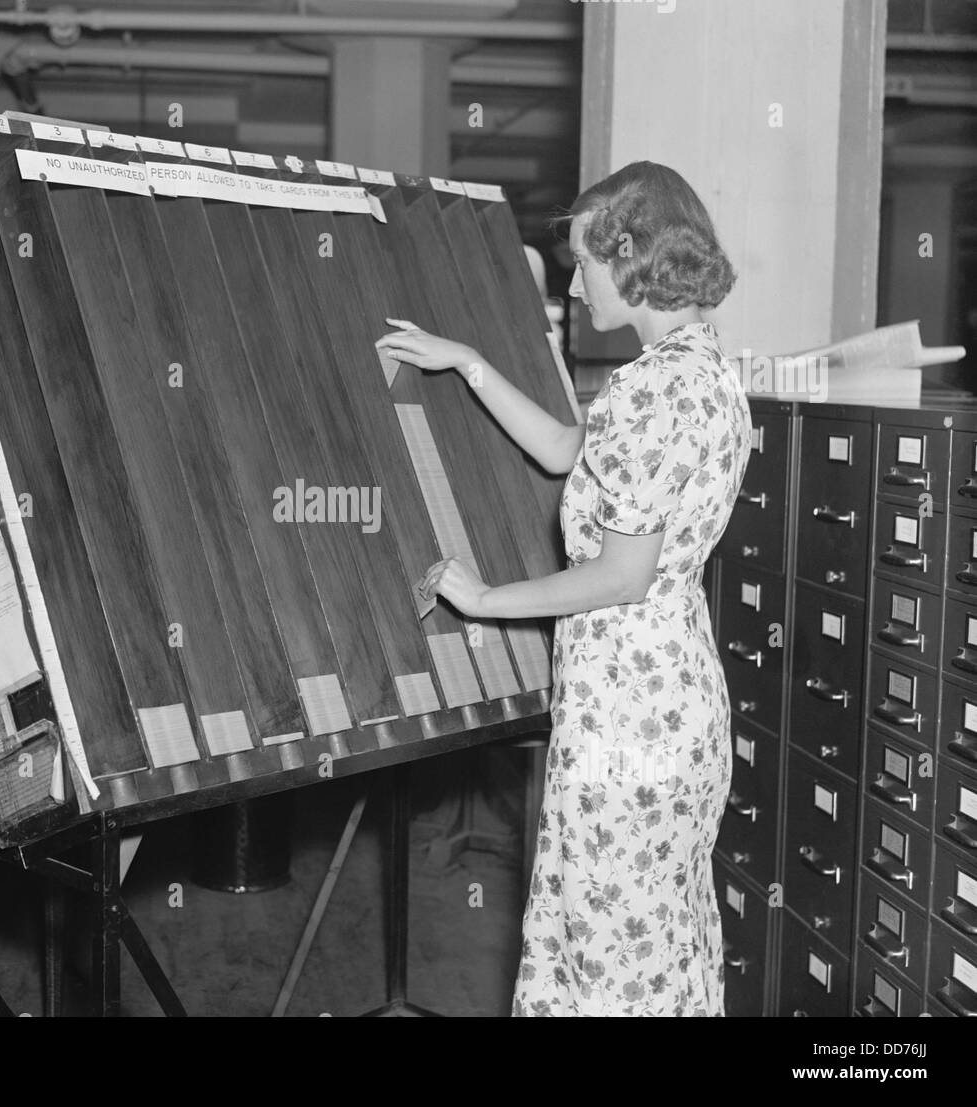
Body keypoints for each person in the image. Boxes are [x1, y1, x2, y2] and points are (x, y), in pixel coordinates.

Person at [377, 161, 751, 1016]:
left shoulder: (649, 390)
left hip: (626, 712)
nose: (576, 285)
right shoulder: (708, 375)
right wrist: (468, 363)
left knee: (606, 962)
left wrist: (483, 597)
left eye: (585, 262)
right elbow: (561, 448)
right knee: (661, 950)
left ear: (632, 255)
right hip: (679, 703)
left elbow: (620, 575)